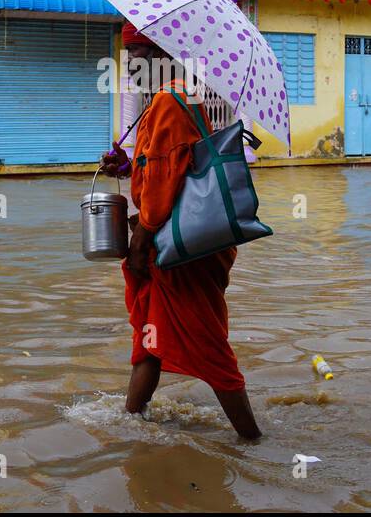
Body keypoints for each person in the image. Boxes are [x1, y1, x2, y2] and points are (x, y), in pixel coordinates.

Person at [100, 22, 261, 440]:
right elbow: (165, 164)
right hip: (168, 243)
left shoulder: (171, 100)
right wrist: (124, 164)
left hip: (178, 249)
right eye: (128, 57)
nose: (130, 67)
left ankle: (252, 441)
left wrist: (140, 238)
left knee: (209, 347)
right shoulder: (165, 101)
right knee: (150, 339)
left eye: (136, 57)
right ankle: (129, 425)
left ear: (159, 58)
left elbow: (162, 184)